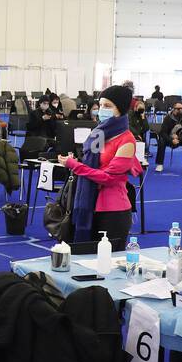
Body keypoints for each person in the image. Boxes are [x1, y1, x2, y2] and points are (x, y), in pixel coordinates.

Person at [58, 86, 139, 250]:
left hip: (113, 211)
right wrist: (76, 162)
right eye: (101, 105)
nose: (102, 110)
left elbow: (108, 178)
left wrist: (74, 166)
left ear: (121, 109)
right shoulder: (99, 133)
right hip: (89, 205)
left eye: (108, 106)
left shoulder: (127, 140)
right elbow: (89, 164)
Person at [154, 100, 182, 173]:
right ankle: (159, 164)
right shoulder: (167, 117)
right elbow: (163, 132)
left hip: (181, 138)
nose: (180, 110)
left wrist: (178, 138)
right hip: (169, 138)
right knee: (161, 141)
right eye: (178, 109)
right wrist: (171, 140)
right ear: (173, 109)